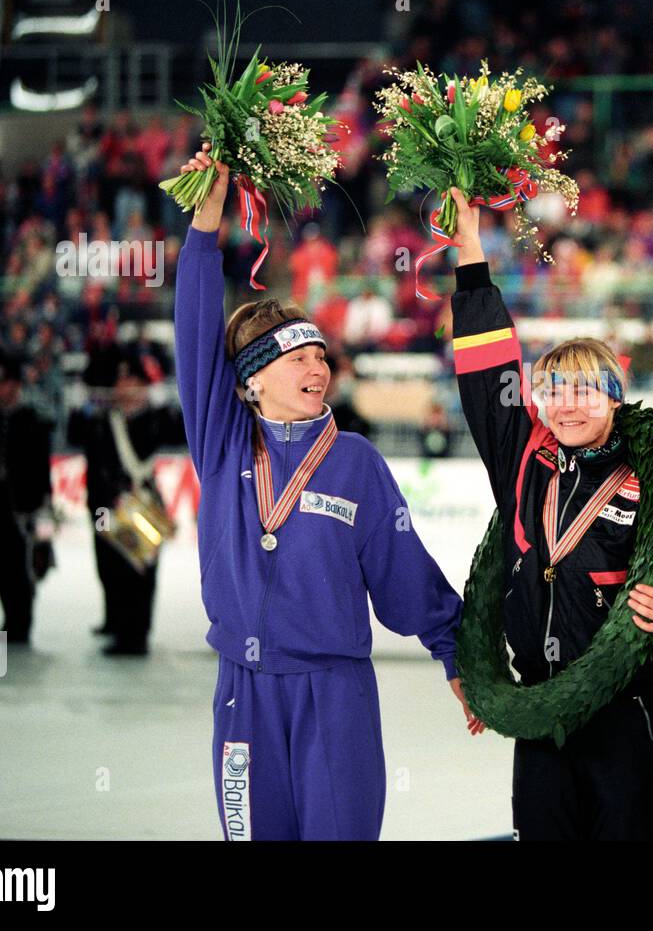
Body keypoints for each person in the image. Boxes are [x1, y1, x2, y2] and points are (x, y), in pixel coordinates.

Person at [173, 144, 471, 840]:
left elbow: (405, 578)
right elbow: (194, 339)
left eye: (320, 355)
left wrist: (456, 652)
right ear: (252, 380)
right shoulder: (223, 444)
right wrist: (203, 232)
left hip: (334, 697)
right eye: (295, 357)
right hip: (243, 698)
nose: (316, 366)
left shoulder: (356, 462)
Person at [446, 186, 653, 840]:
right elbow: (488, 376)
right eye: (555, 390)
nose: (568, 405)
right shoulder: (524, 459)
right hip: (541, 712)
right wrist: (469, 252)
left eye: (586, 391)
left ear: (616, 399)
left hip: (626, 714)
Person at [67, 348, 184, 656]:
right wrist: (79, 405)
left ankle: (137, 634)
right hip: (109, 507)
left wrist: (162, 403)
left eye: (132, 380)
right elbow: (75, 436)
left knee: (143, 570)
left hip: (142, 504)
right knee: (113, 568)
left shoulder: (154, 418)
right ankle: (120, 627)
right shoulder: (105, 420)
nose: (125, 387)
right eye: (120, 381)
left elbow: (179, 433)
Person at [0, 349, 52, 645]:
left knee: (24, 567)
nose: (0, 389)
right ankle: (9, 617)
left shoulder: (32, 420)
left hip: (25, 506)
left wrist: (42, 505)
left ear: (16, 385)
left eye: (5, 383)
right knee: (2, 566)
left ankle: (22, 621)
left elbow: (41, 467)